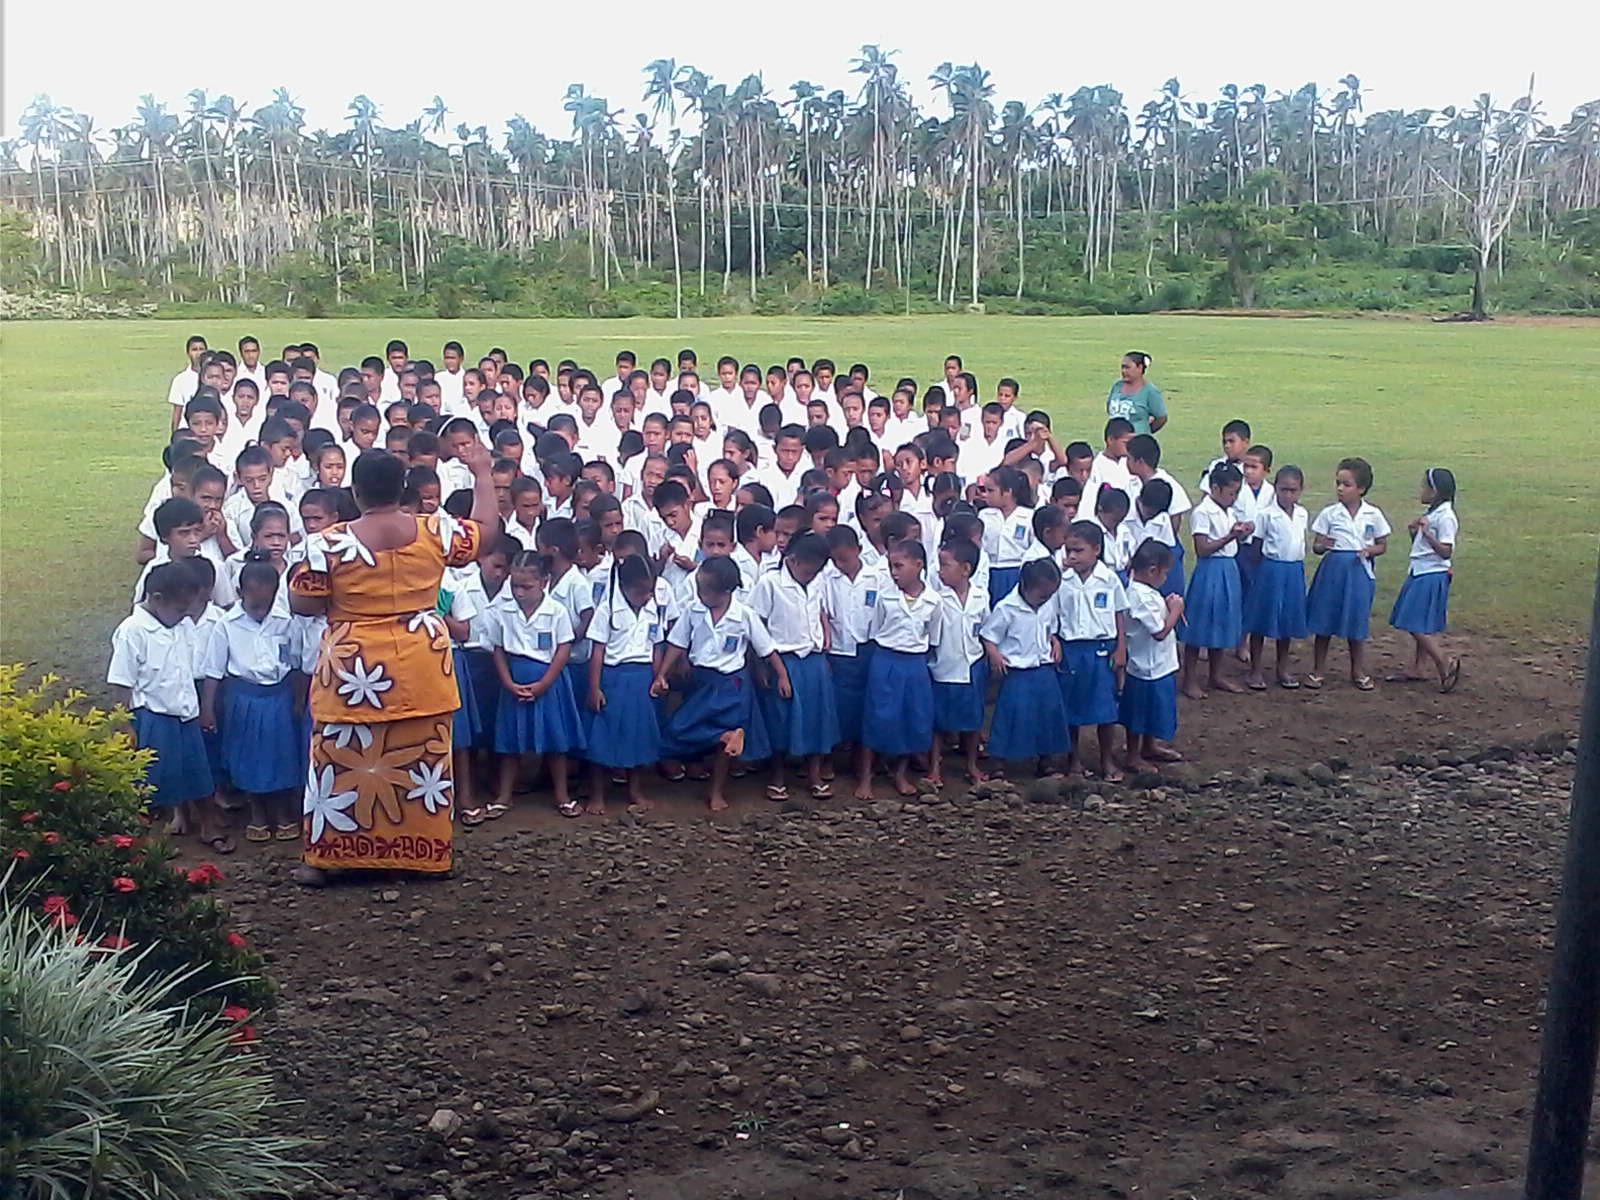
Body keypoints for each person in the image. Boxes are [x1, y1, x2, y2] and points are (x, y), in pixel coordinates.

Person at [287, 445, 495, 885]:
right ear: (403, 490)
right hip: (422, 662)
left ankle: (330, 859)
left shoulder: (328, 543)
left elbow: (303, 602)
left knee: (339, 760)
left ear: (355, 492)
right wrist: (481, 474)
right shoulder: (435, 530)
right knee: (422, 760)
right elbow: (486, 533)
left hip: (351, 669)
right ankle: (424, 855)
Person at [654, 555, 782, 812]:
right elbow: (677, 644)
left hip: (732, 683)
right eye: (698, 588)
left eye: (706, 590)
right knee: (678, 728)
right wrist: (662, 674)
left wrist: (782, 675)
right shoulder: (693, 610)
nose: (700, 594)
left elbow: (766, 649)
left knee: (725, 751)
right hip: (701, 681)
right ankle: (724, 736)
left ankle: (716, 791)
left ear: (725, 591)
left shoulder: (744, 615)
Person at [108, 562, 219, 841]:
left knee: (198, 773)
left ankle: (208, 825)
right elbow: (122, 682)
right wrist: (124, 724)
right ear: (157, 599)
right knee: (155, 782)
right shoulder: (133, 631)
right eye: (181, 609)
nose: (185, 616)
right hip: (155, 715)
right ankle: (151, 839)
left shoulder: (180, 625)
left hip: (185, 712)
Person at [200, 560, 301, 844]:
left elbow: (295, 666)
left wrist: (297, 700)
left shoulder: (286, 622)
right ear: (239, 591)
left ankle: (282, 814)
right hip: (243, 697)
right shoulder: (225, 625)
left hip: (278, 696)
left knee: (282, 756)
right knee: (248, 758)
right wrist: (208, 709)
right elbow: (213, 671)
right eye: (253, 599)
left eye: (266, 599)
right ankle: (256, 813)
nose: (260, 606)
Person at [486, 550, 588, 818]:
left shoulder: (556, 611)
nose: (519, 592)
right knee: (510, 741)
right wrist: (508, 682)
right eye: (515, 585)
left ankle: (562, 795)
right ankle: (504, 796)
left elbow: (563, 648)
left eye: (526, 586)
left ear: (544, 581)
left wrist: (545, 683)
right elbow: (497, 649)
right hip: (515, 676)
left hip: (549, 679)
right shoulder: (503, 609)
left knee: (555, 741)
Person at [749, 531, 838, 801]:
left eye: (816, 571)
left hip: (813, 659)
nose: (812, 576)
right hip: (783, 660)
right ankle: (777, 776)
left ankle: (814, 774)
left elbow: (820, 609)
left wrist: (826, 636)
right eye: (808, 571)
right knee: (781, 719)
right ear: (793, 560)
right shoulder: (770, 584)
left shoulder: (818, 581)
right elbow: (756, 626)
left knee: (817, 718)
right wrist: (761, 667)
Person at [857, 539, 940, 800]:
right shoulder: (885, 597)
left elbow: (933, 638)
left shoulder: (933, 601)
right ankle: (866, 777)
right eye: (891, 566)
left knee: (910, 718)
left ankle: (900, 773)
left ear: (918, 565)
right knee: (878, 715)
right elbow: (876, 630)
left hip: (914, 664)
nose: (894, 573)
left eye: (899, 566)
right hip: (886, 660)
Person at [585, 552, 667, 814]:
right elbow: (597, 651)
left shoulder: (653, 609)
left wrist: (659, 676)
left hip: (642, 678)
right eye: (642, 592)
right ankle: (597, 794)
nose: (647, 597)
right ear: (625, 587)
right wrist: (595, 687)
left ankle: (635, 790)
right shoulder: (607, 610)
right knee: (604, 738)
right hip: (614, 677)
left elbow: (656, 646)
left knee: (638, 736)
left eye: (650, 591)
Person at [1305, 456, 1389, 692]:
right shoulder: (1330, 514)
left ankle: (1358, 671)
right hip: (1333, 570)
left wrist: (1370, 550)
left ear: (1361, 489)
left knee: (1356, 620)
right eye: (1338, 483)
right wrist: (1325, 545)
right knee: (1325, 618)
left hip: (1358, 570)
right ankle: (1318, 670)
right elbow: (1317, 546)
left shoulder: (1373, 514)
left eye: (1347, 484)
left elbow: (1383, 544)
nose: (1340, 489)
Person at [981, 556, 1069, 775]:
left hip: (1044, 667)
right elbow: (988, 636)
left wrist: (1055, 642)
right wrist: (995, 656)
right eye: (1041, 595)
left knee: (1047, 714)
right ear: (1026, 587)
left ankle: (1046, 759)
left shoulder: (1048, 605)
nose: (1045, 599)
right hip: (1018, 670)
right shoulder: (1006, 608)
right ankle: (999, 760)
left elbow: (1050, 630)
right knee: (1012, 715)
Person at [1056, 521, 1129, 780]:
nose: (1072, 556)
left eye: (1078, 550)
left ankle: (1106, 759)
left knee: (1105, 707)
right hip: (1071, 649)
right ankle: (1073, 759)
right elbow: (1052, 614)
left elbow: (1120, 612)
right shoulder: (1061, 579)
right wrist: (1055, 641)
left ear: (1096, 549)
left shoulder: (1109, 579)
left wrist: (1121, 647)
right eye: (1068, 551)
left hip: (1101, 648)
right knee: (1071, 705)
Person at [1182, 463, 1252, 699]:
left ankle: (1216, 674)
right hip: (1210, 571)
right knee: (1201, 623)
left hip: (1228, 568)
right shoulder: (1203, 512)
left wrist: (1240, 533)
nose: (1234, 498)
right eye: (1231, 492)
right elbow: (1202, 548)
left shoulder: (1228, 511)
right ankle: (1189, 679)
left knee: (1222, 620)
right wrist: (1230, 536)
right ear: (1215, 488)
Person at [1389, 468, 1461, 692]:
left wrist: (1428, 534)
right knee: (1421, 621)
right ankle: (1418, 668)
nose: (1421, 491)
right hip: (1420, 570)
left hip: (1431, 573)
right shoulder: (1434, 513)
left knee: (1413, 621)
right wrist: (1415, 532)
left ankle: (1444, 663)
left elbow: (1446, 551)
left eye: (1425, 486)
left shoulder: (1445, 517)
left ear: (1436, 490)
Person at [928, 538, 990, 788]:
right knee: (938, 721)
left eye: (946, 565)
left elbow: (984, 628)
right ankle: (934, 767)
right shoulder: (937, 600)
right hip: (944, 665)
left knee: (974, 719)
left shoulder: (981, 596)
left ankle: (971, 765)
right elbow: (932, 638)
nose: (940, 571)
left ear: (966, 569)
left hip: (972, 663)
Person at [1119, 540, 1185, 771]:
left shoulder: (1147, 591)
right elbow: (1159, 631)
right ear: (1152, 571)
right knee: (1139, 712)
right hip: (1145, 665)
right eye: (1165, 573)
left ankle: (1150, 745)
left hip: (1159, 663)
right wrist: (1176, 611)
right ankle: (1134, 755)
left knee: (1154, 709)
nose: (1166, 578)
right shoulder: (1139, 596)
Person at [1244, 465, 1310, 690]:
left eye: (1293, 491)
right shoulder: (1266, 515)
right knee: (1262, 619)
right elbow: (1256, 546)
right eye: (1283, 490)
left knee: (1287, 620)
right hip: (1270, 570)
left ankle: (1283, 667)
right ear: (1276, 489)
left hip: (1294, 570)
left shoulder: (1302, 514)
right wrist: (1257, 574)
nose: (1288, 495)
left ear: (1300, 491)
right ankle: (1255, 669)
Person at [978, 467, 1035, 606]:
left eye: (991, 491)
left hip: (1016, 571)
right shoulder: (984, 516)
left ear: (1008, 492)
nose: (986, 495)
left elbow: (1033, 548)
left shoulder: (1028, 517)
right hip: (990, 570)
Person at [1105, 351, 1167, 435]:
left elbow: (1161, 418)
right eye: (1122, 367)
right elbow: (1109, 408)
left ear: (1140, 368)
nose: (1123, 371)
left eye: (1127, 368)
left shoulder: (1150, 391)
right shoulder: (1117, 386)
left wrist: (1145, 431)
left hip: (1137, 442)